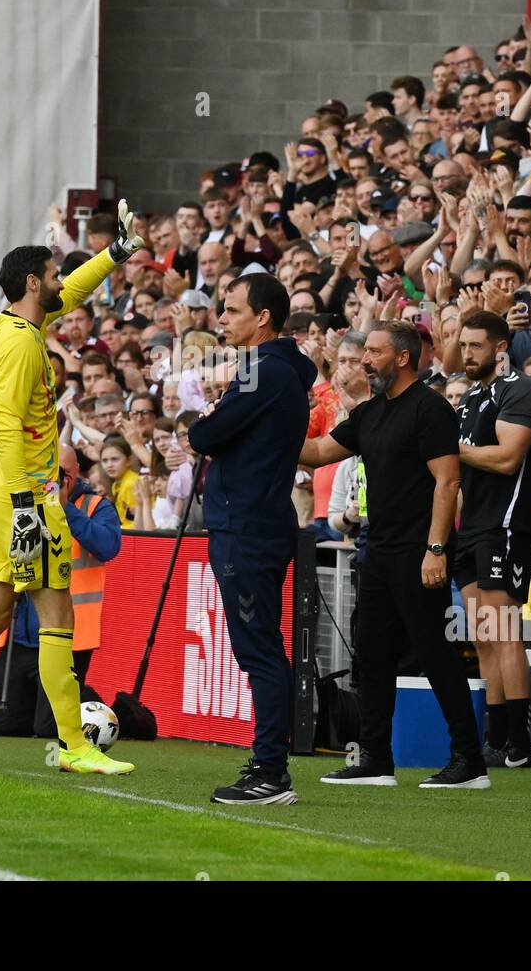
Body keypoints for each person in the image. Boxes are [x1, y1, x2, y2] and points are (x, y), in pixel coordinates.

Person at [0, 201, 145, 774]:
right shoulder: (21, 344)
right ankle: (73, 745)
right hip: (25, 493)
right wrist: (28, 502)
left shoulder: (10, 324)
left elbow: (77, 292)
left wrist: (116, 253)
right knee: (57, 616)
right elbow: (8, 424)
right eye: (55, 273)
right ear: (34, 282)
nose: (64, 282)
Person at [301, 322, 489, 790]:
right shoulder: (370, 413)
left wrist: (436, 549)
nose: (365, 360)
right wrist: (264, 432)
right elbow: (319, 451)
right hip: (377, 551)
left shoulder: (430, 409)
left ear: (402, 358)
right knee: (372, 657)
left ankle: (469, 761)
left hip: (418, 551)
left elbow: (448, 482)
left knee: (435, 655)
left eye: (374, 352)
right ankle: (374, 760)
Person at [188, 272, 317, 805]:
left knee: (259, 647)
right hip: (252, 520)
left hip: (248, 525)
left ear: (262, 317)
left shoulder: (267, 372)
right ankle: (268, 764)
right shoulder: (274, 370)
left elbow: (202, 435)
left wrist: (212, 419)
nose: (221, 319)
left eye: (232, 309)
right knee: (259, 646)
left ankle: (270, 770)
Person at [454, 312, 531, 770]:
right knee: (485, 637)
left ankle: (519, 741)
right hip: (472, 525)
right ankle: (495, 736)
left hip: (506, 524)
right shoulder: (470, 397)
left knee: (505, 633)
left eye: (475, 346)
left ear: (499, 348)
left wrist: (450, 449)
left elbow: (509, 457)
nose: (466, 354)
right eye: (463, 345)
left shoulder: (520, 391)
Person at [0, 447, 122, 736]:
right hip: (22, 635)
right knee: (6, 726)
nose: (49, 481)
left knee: (49, 730)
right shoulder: (20, 500)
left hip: (68, 634)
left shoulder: (94, 506)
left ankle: (92, 707)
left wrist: (66, 509)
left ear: (74, 476)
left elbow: (109, 546)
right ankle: (82, 696)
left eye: (59, 474)